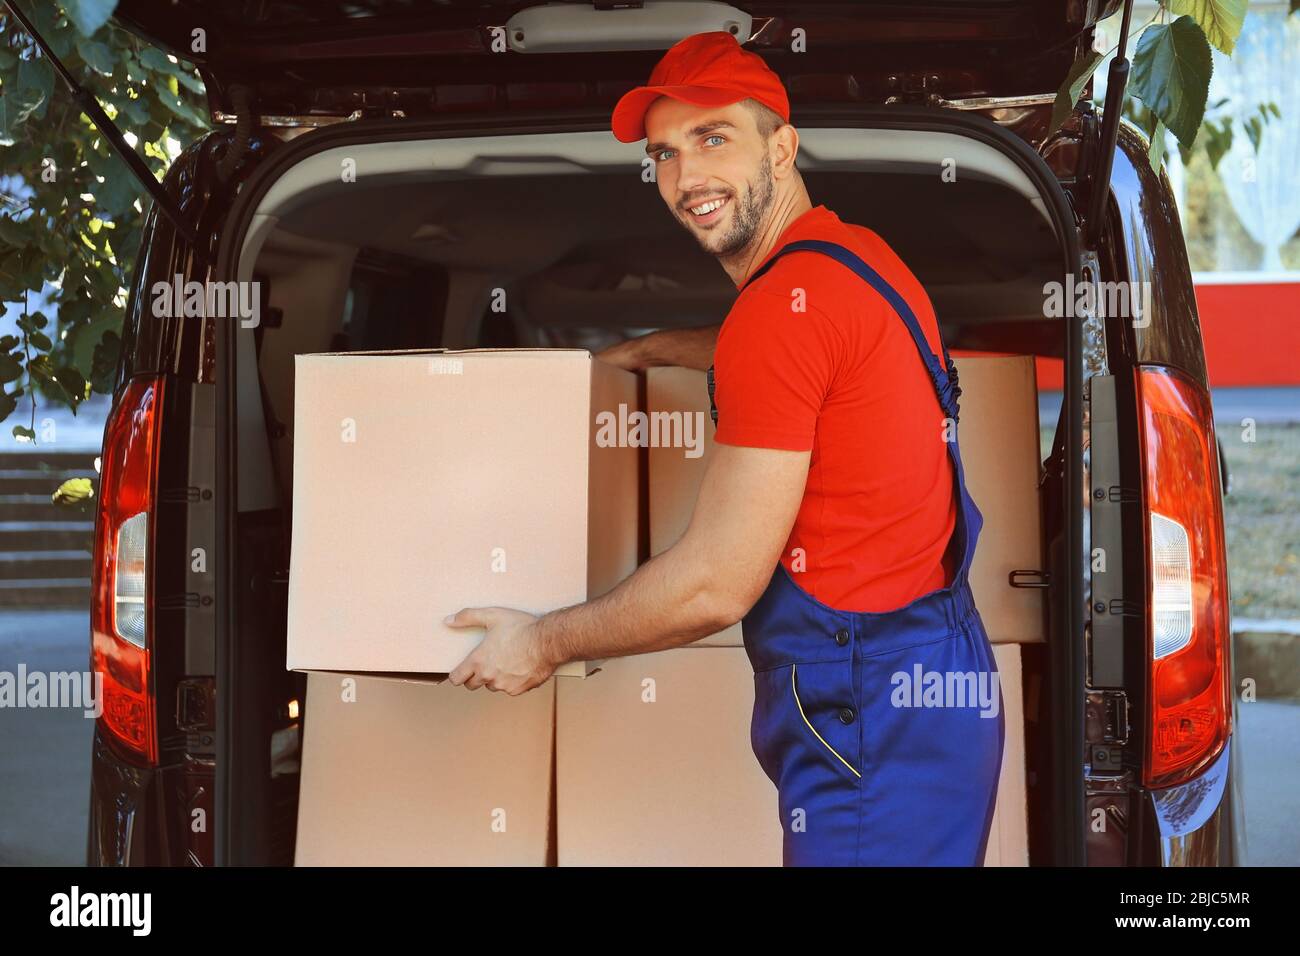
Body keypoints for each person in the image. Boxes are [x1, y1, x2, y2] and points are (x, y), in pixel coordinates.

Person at [445, 30, 1004, 866]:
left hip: (864, 703)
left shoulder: (780, 316)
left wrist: (542, 642)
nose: (686, 178)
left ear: (782, 147)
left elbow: (713, 587)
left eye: (714, 139)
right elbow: (817, 355)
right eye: (665, 154)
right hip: (936, 669)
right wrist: (657, 347)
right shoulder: (857, 260)